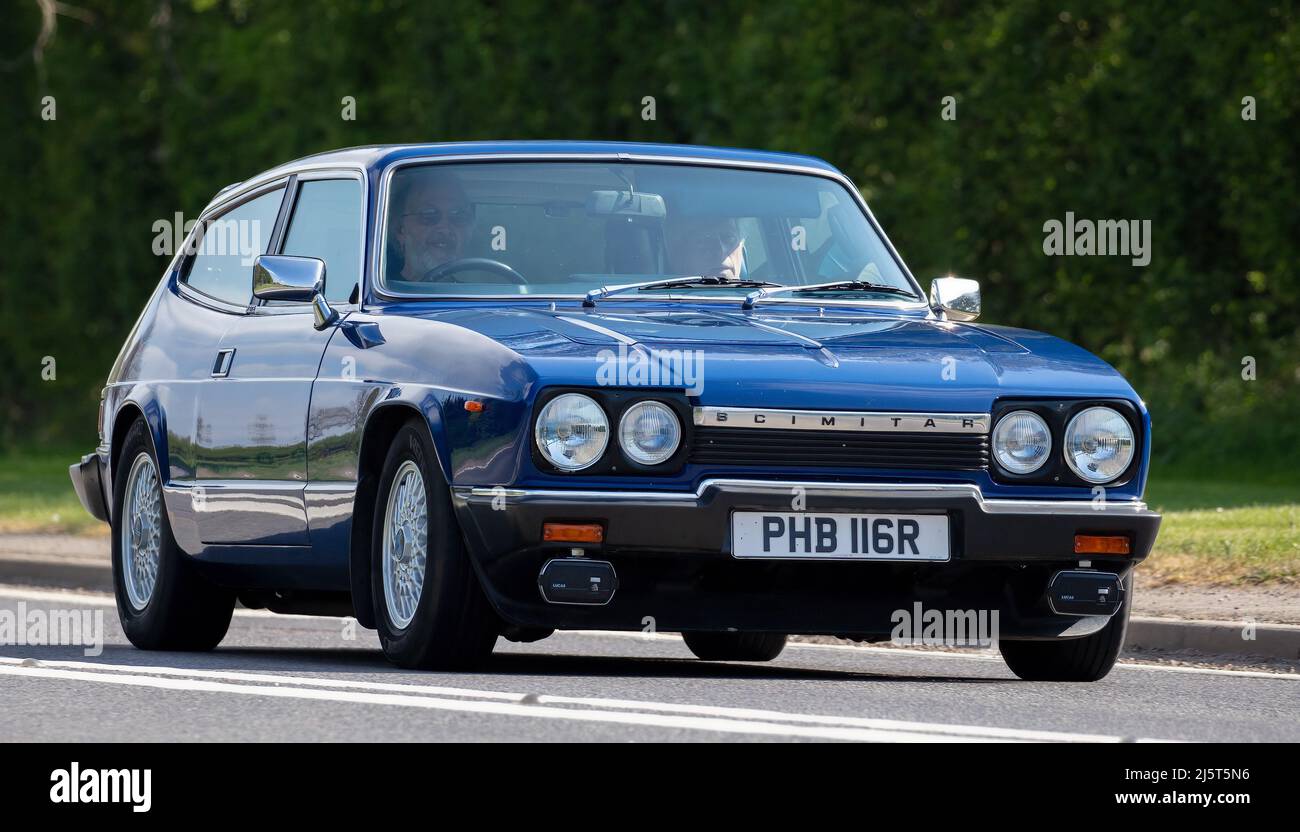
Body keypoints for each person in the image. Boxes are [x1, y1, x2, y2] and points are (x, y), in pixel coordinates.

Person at [388, 168, 475, 282]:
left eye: (458, 216)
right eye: (429, 214)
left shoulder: (476, 296)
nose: (445, 228)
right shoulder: (380, 292)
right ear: (400, 229)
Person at [663, 214, 745, 281]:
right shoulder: (656, 298)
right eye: (705, 240)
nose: (721, 251)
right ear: (679, 254)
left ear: (741, 246)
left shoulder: (756, 297)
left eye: (729, 238)